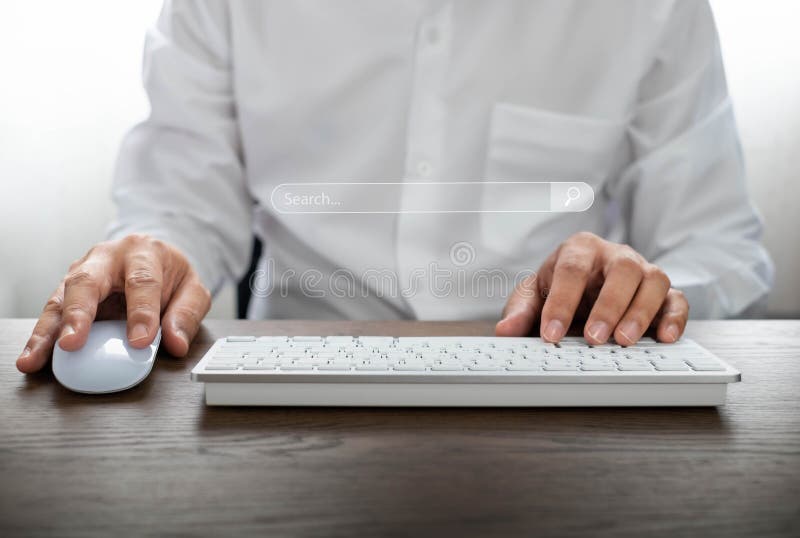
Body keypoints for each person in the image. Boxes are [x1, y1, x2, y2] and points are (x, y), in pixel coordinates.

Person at [17, 0, 773, 374]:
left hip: (559, 375)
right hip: (286, 382)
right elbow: (181, 204)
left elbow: (715, 244)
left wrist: (647, 291)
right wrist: (152, 257)